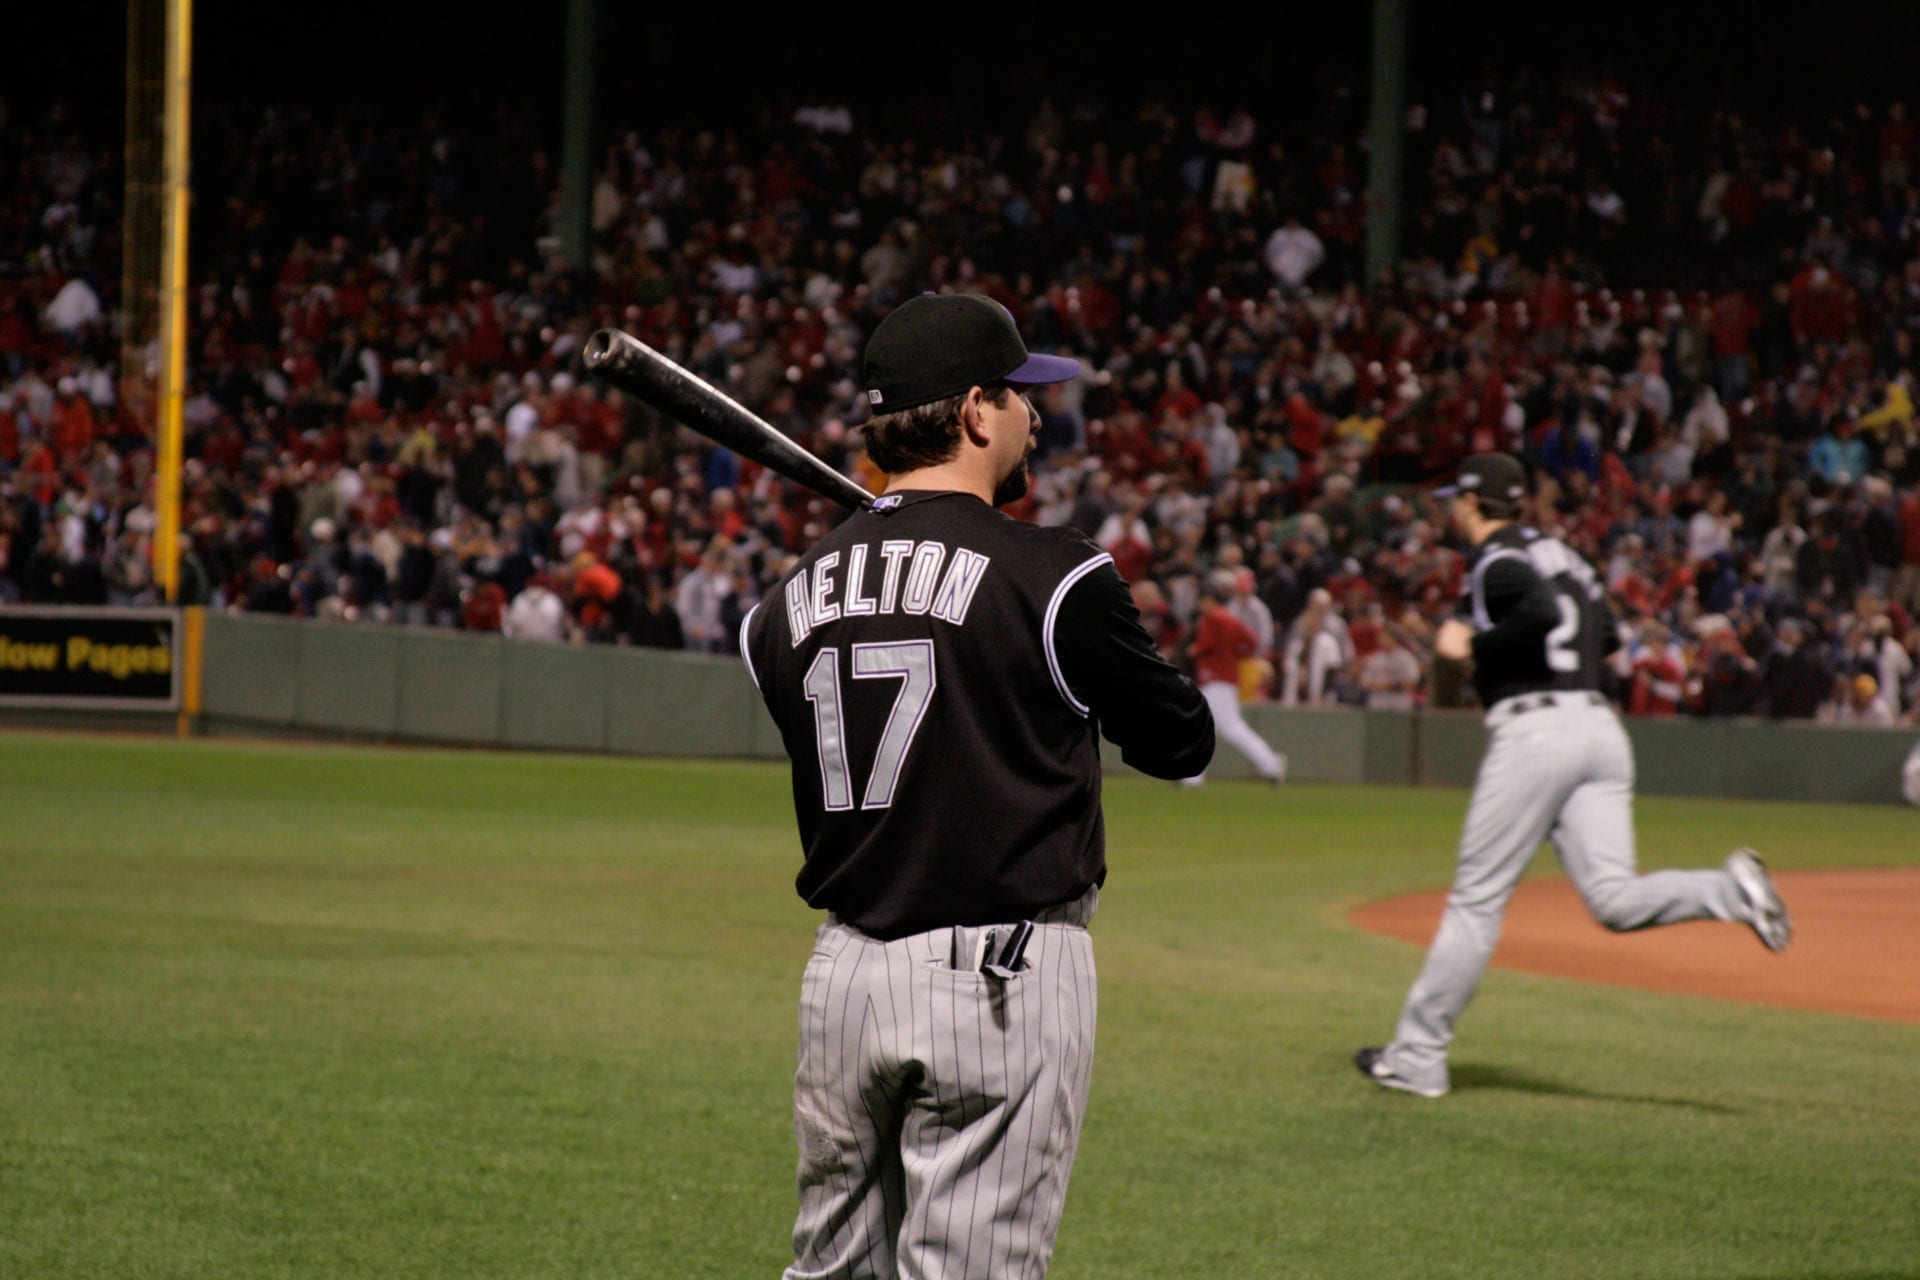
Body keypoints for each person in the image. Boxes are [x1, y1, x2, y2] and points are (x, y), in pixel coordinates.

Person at [741, 292, 1215, 1278]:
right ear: (973, 411)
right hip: (999, 978)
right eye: (1019, 393)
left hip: (842, 979)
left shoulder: (782, 603)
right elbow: (1182, 742)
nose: (1036, 413)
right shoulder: (1055, 575)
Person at [1355, 453, 1794, 1100]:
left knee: (1476, 902)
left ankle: (1418, 1057)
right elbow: (1607, 633)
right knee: (1613, 898)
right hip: (1598, 730)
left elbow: (1535, 613)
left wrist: (1473, 649)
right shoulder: (1566, 556)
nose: (1450, 508)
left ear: (1475, 502)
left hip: (1538, 732)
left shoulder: (1496, 560)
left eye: (1457, 498)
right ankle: (1729, 892)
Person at [1181, 570, 1286, 786]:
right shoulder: (1231, 618)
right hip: (1226, 677)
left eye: (1203, 601)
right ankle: (1194, 775)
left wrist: (1193, 649)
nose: (1201, 606)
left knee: (1223, 727)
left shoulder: (1212, 618)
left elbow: (1203, 645)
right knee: (1214, 726)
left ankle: (1270, 763)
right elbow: (1253, 642)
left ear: (1208, 600)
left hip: (1215, 677)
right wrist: (1236, 655)